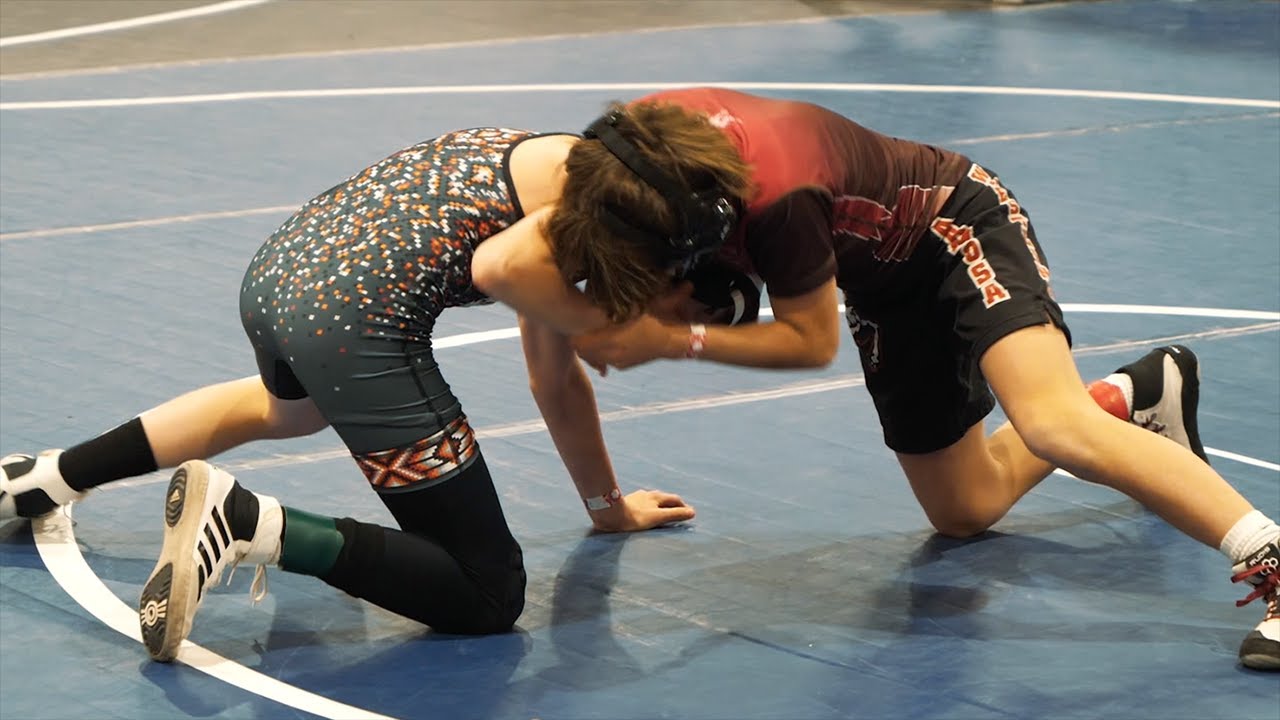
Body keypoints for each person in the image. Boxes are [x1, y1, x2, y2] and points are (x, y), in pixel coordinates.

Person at [565, 88, 1280, 671]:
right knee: (964, 510)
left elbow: (809, 342)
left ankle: (1266, 552)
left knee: (1053, 423)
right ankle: (1136, 395)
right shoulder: (633, 150)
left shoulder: (782, 194)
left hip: (957, 225)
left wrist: (672, 338)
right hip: (880, 279)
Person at [0, 119, 759, 662]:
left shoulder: (569, 165)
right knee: (488, 595)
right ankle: (247, 523)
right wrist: (613, 329)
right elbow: (502, 274)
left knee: (284, 410)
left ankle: (41, 479)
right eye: (680, 299)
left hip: (284, 270)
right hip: (350, 327)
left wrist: (606, 507)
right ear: (665, 253)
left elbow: (549, 378)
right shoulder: (564, 240)